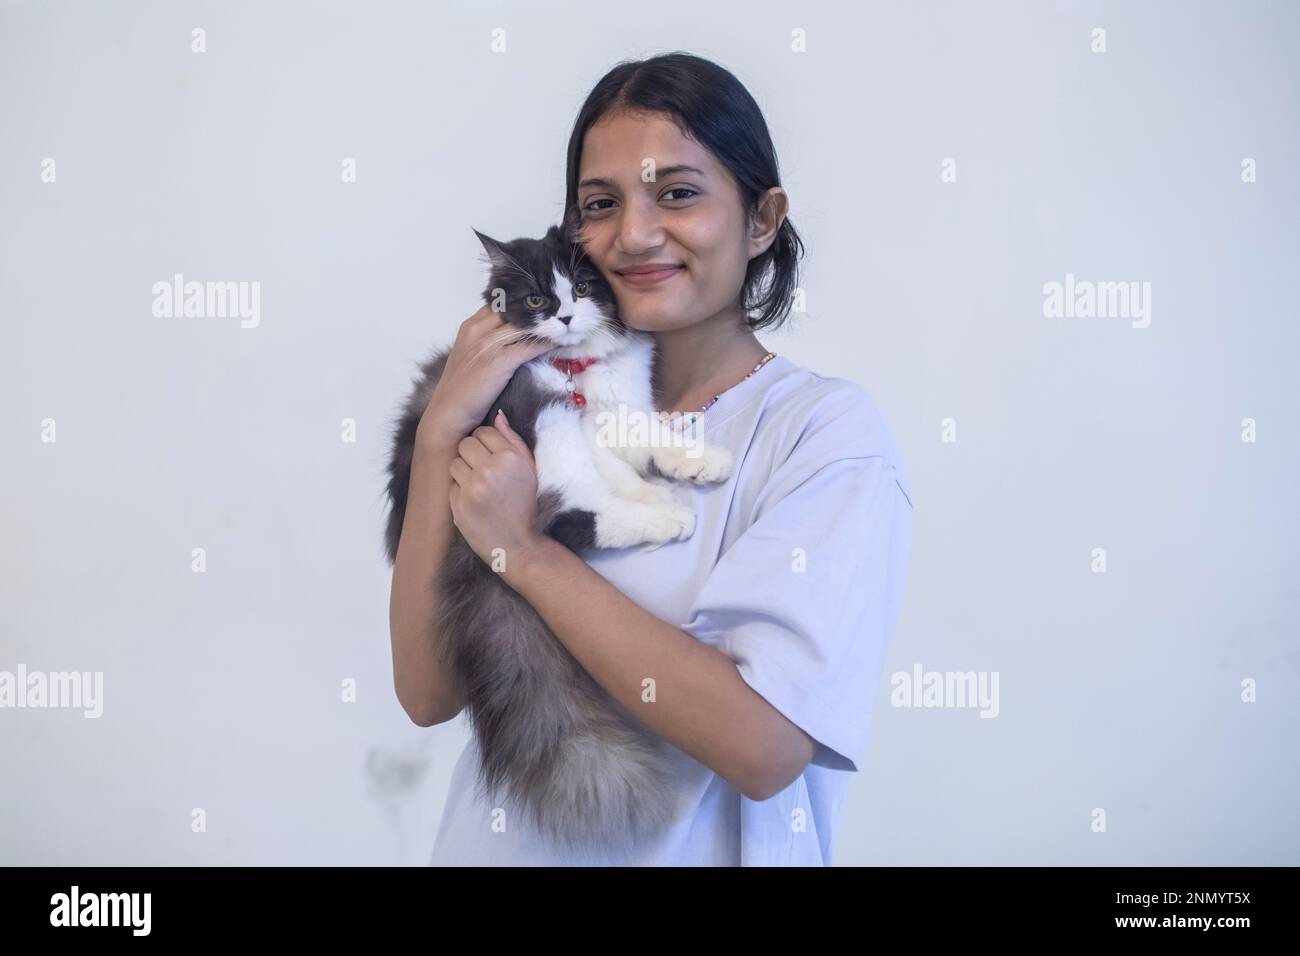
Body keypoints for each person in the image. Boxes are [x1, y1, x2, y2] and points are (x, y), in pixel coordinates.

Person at [387, 52, 913, 866]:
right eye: (601, 203)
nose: (632, 234)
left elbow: (764, 746)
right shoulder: (524, 401)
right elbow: (427, 694)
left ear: (763, 218)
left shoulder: (821, 432)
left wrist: (522, 551)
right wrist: (437, 434)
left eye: (677, 193)